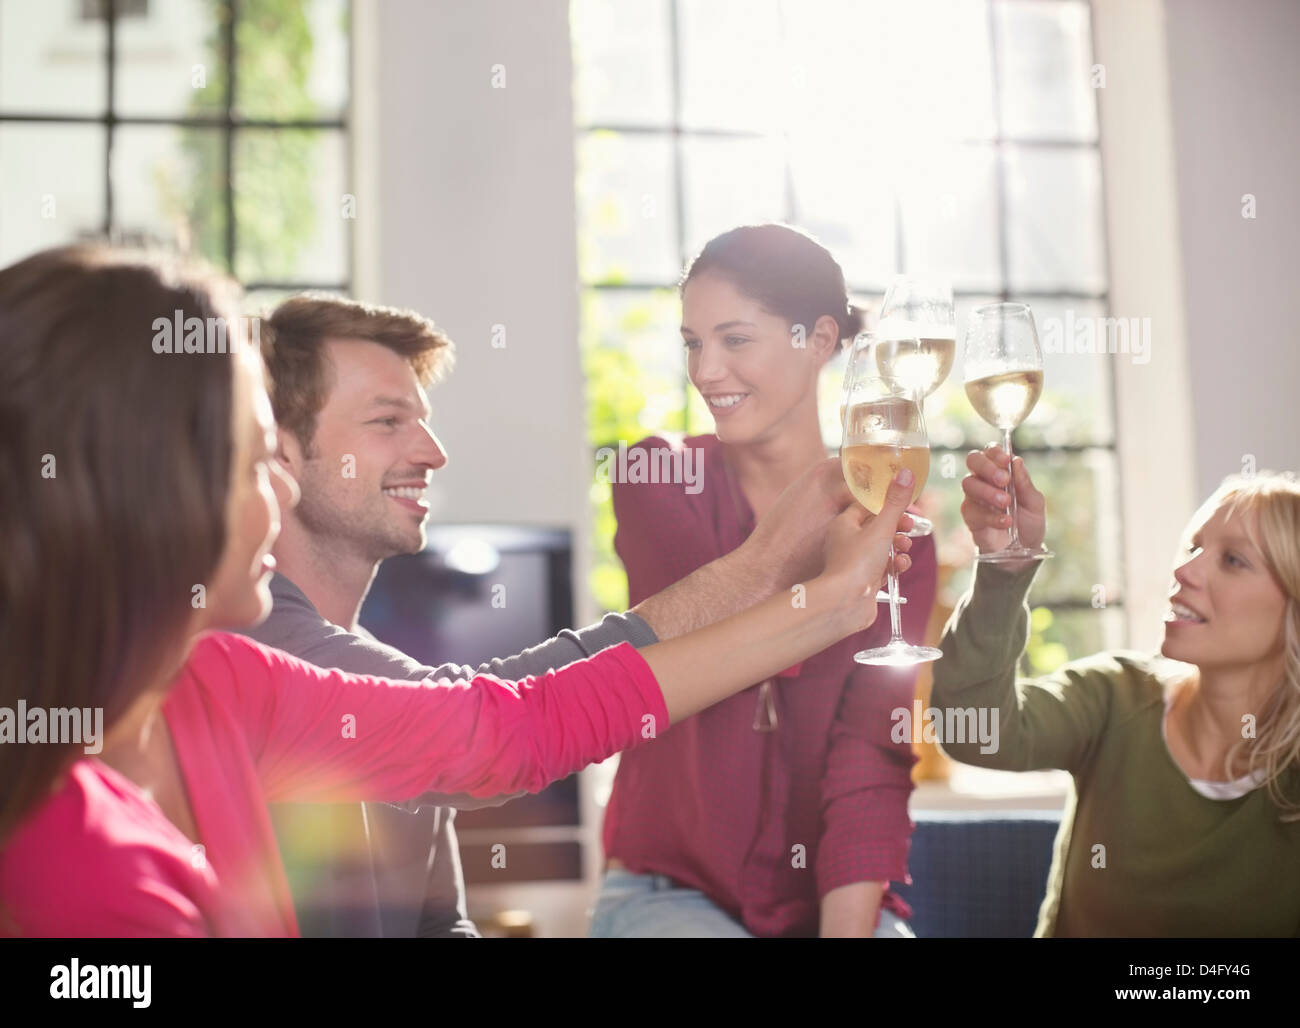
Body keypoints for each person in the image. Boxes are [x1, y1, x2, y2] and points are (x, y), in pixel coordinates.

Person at [0, 244, 918, 937]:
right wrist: (781, 580)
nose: (275, 487)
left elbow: (505, 732)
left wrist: (824, 603)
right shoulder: (73, 867)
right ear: (145, 488)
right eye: (252, 458)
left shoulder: (231, 686)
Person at [243, 295, 873, 938]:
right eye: (386, 421)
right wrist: (769, 573)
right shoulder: (251, 651)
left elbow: (438, 924)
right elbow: (500, 732)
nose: (433, 452)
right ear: (280, 451)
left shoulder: (383, 674)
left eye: (423, 421)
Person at [591, 224, 939, 939]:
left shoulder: (898, 532)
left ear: (817, 340)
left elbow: (870, 754)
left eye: (735, 339)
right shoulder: (658, 480)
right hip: (667, 892)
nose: (707, 370)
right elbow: (715, 645)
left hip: (828, 899)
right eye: (693, 342)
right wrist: (843, 568)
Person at [932, 444, 1300, 936]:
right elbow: (973, 732)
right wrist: (1003, 569)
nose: (1185, 570)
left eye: (1233, 560)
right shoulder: (1114, 698)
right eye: (1194, 546)